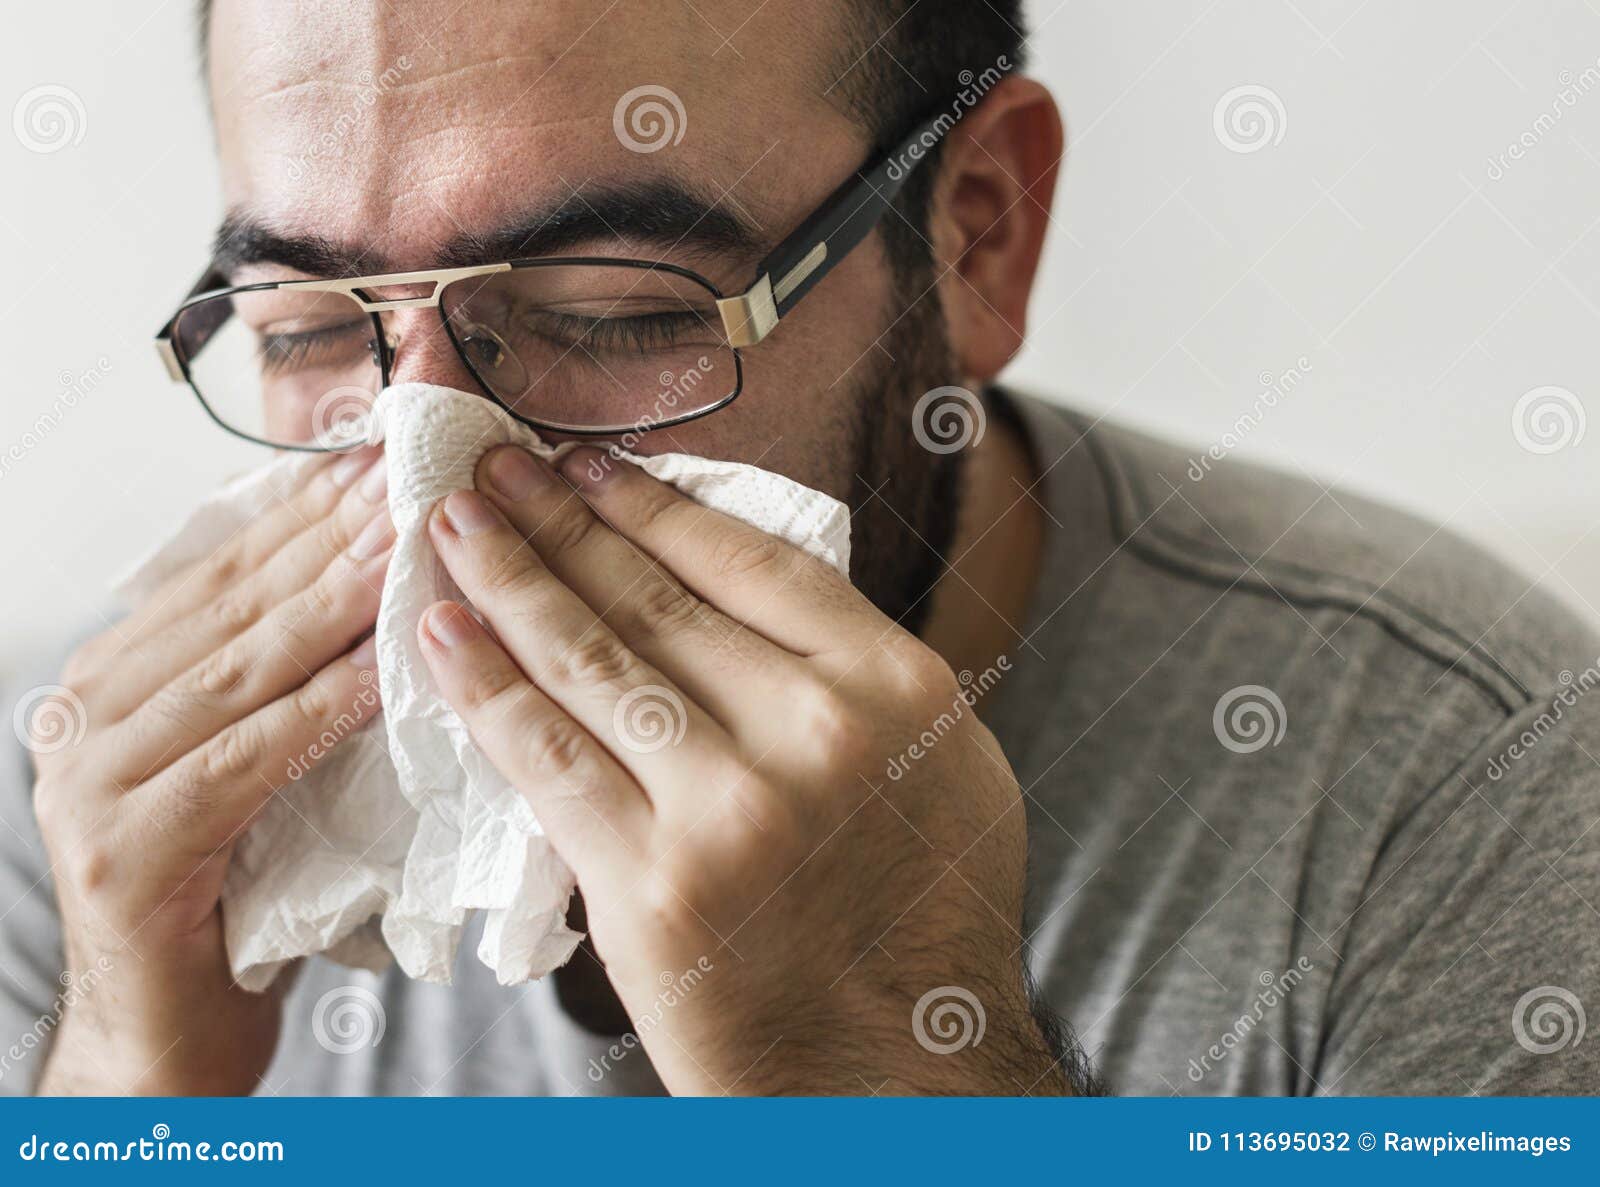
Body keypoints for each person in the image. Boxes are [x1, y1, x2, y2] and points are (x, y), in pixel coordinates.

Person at [2, 0, 1596, 1097]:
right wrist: (128, 1083)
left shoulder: (1467, 807)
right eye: (303, 327)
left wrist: (883, 1084)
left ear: (975, 230)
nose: (433, 482)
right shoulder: (79, 814)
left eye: (604, 313)